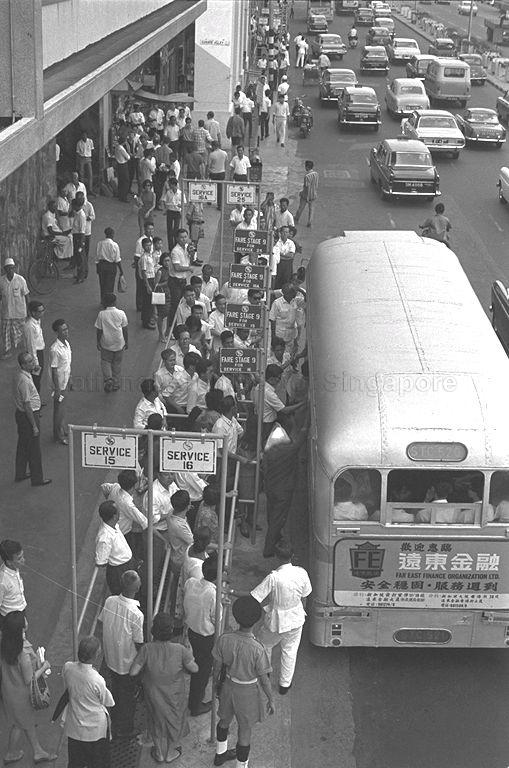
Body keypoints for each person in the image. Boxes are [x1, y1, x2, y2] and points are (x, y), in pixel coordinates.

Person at [212, 596, 274, 768]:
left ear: (235, 616)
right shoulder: (257, 649)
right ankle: (241, 765)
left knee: (224, 721)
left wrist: (216, 686)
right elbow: (264, 680)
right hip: (247, 693)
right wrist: (271, 699)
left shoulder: (224, 639)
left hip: (227, 687)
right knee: (245, 731)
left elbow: (217, 667)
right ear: (256, 621)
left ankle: (220, 754)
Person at [129, 612, 198, 763]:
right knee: (175, 721)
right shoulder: (180, 650)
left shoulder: (147, 649)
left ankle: (159, 753)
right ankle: (171, 753)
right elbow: (194, 669)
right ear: (171, 630)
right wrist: (190, 652)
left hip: (153, 695)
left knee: (156, 721)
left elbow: (133, 671)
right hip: (175, 696)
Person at [251, 541, 312, 694]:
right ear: (292, 556)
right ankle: (284, 685)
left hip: (277, 621)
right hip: (296, 619)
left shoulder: (274, 577)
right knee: (290, 651)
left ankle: (265, 674)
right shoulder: (301, 572)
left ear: (277, 557)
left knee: (264, 645)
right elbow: (305, 596)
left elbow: (255, 596)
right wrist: (299, 612)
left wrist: (230, 590)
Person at [1, 612, 57, 765]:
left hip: (9, 691)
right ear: (20, 628)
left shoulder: (4, 643)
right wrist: (44, 665)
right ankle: (12, 753)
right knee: (20, 724)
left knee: (23, 723)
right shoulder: (23, 654)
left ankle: (37, 751)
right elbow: (29, 679)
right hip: (22, 696)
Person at [99, 570, 143, 740]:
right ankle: (124, 729)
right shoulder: (136, 614)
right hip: (126, 664)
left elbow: (102, 620)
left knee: (116, 692)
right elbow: (139, 642)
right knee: (127, 698)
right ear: (137, 587)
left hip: (111, 659)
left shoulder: (110, 601)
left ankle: (115, 722)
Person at [63, 635, 114, 768]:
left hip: (74, 727)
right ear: (96, 655)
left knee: (75, 762)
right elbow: (107, 701)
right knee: (97, 762)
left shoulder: (68, 668)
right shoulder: (97, 680)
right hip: (94, 730)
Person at [261, 415, 309, 556]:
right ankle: (268, 549)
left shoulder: (269, 448)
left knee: (272, 516)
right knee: (277, 519)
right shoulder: (289, 449)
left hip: (270, 488)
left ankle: (276, 539)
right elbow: (302, 435)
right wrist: (306, 420)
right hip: (283, 490)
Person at [184, 556, 220, 717]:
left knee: (200, 662)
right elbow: (216, 618)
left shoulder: (191, 583)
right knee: (202, 672)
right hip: (205, 637)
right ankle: (195, 705)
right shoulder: (212, 594)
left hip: (192, 631)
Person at [13, 353, 51, 486]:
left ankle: (20, 472)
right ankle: (37, 478)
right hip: (28, 416)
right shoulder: (24, 381)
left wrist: (36, 369)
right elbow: (27, 404)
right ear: (23, 365)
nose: (32, 362)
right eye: (29, 362)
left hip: (21, 415)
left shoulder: (22, 376)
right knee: (34, 449)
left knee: (23, 444)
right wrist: (34, 425)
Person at [252, 364, 305, 443]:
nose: (279, 381)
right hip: (267, 424)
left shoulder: (259, 387)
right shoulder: (269, 393)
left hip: (261, 421)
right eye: (278, 378)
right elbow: (284, 410)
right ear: (272, 379)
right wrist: (302, 403)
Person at [101, 471, 148, 559]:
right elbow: (145, 522)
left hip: (113, 529)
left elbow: (104, 487)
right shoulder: (127, 504)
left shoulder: (115, 487)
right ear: (134, 485)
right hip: (124, 535)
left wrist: (108, 499)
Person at [95, 500, 136, 596]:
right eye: (118, 512)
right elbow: (101, 562)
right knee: (124, 596)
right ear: (114, 516)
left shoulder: (114, 526)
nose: (120, 513)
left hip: (128, 564)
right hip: (119, 570)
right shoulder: (105, 537)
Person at [95, 293, 128, 392]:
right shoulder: (121, 313)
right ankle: (116, 383)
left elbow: (99, 330)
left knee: (105, 361)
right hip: (119, 343)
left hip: (106, 343)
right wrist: (126, 341)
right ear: (115, 302)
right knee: (117, 363)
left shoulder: (101, 314)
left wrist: (98, 341)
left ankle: (108, 379)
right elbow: (125, 329)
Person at [49, 318, 72, 445]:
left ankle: (62, 429)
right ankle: (58, 435)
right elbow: (54, 370)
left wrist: (70, 379)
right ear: (57, 332)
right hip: (60, 385)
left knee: (62, 409)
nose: (66, 332)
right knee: (59, 410)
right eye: (62, 330)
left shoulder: (67, 344)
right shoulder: (55, 349)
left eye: (66, 328)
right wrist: (57, 389)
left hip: (65, 380)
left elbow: (67, 364)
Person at [0, 258, 29, 358]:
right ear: (5, 269)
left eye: (12, 268)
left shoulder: (20, 280)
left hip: (19, 312)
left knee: (22, 332)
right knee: (5, 333)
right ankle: (7, 351)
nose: (10, 270)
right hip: (6, 312)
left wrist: (29, 311)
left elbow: (26, 295)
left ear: (14, 268)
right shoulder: (1, 281)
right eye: (8, 268)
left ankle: (25, 349)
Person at [0, 541, 27, 626]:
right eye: (19, 558)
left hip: (21, 613)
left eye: (22, 556)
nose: (23, 560)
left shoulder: (15, 568)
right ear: (9, 562)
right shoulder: (2, 581)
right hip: (10, 621)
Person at [96, 227, 123, 304]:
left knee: (102, 284)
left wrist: (97, 268)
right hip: (111, 266)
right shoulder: (114, 245)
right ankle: (109, 301)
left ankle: (103, 299)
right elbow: (117, 259)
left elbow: (97, 257)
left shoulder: (100, 243)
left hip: (101, 265)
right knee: (110, 285)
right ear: (112, 234)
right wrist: (121, 270)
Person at [23, 301, 45, 394]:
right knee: (35, 380)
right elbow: (31, 345)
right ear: (33, 312)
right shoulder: (30, 326)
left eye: (43, 310)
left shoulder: (37, 321)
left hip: (39, 352)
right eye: (40, 311)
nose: (42, 313)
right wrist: (35, 362)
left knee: (37, 379)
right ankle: (34, 404)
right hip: (34, 355)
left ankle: (36, 402)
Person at [162, 177, 185, 252]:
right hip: (170, 212)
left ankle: (175, 246)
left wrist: (180, 205)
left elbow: (184, 203)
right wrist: (165, 208)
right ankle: (170, 248)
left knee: (176, 230)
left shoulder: (180, 193)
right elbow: (164, 200)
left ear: (174, 185)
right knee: (169, 230)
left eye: (170, 184)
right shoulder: (168, 192)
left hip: (177, 212)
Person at [294, 160, 319, 227]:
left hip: (306, 195)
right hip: (313, 195)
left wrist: (301, 193)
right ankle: (309, 222)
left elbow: (306, 187)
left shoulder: (307, 176)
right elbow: (316, 185)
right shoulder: (316, 174)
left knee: (301, 208)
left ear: (307, 167)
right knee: (311, 210)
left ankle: (296, 219)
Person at [208, 141, 228, 210]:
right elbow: (226, 163)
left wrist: (208, 171)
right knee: (220, 189)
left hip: (213, 173)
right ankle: (220, 205)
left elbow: (209, 165)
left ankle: (210, 200)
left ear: (214, 146)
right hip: (221, 172)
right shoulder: (224, 153)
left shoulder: (212, 154)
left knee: (211, 187)